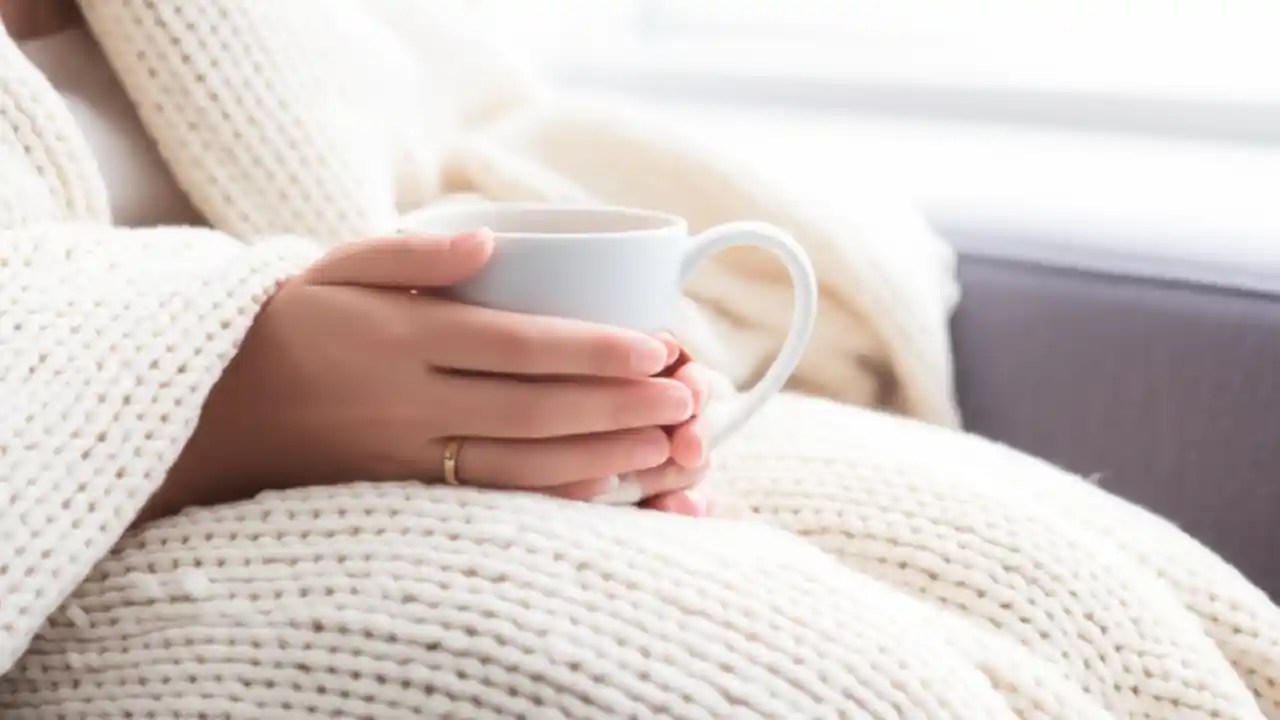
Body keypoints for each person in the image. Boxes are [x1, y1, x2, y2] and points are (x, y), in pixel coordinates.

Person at [2, 1, 1276, 717]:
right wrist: (202, 385)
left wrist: (586, 356)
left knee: (1107, 604)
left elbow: (453, 132)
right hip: (76, 532)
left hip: (458, 441)